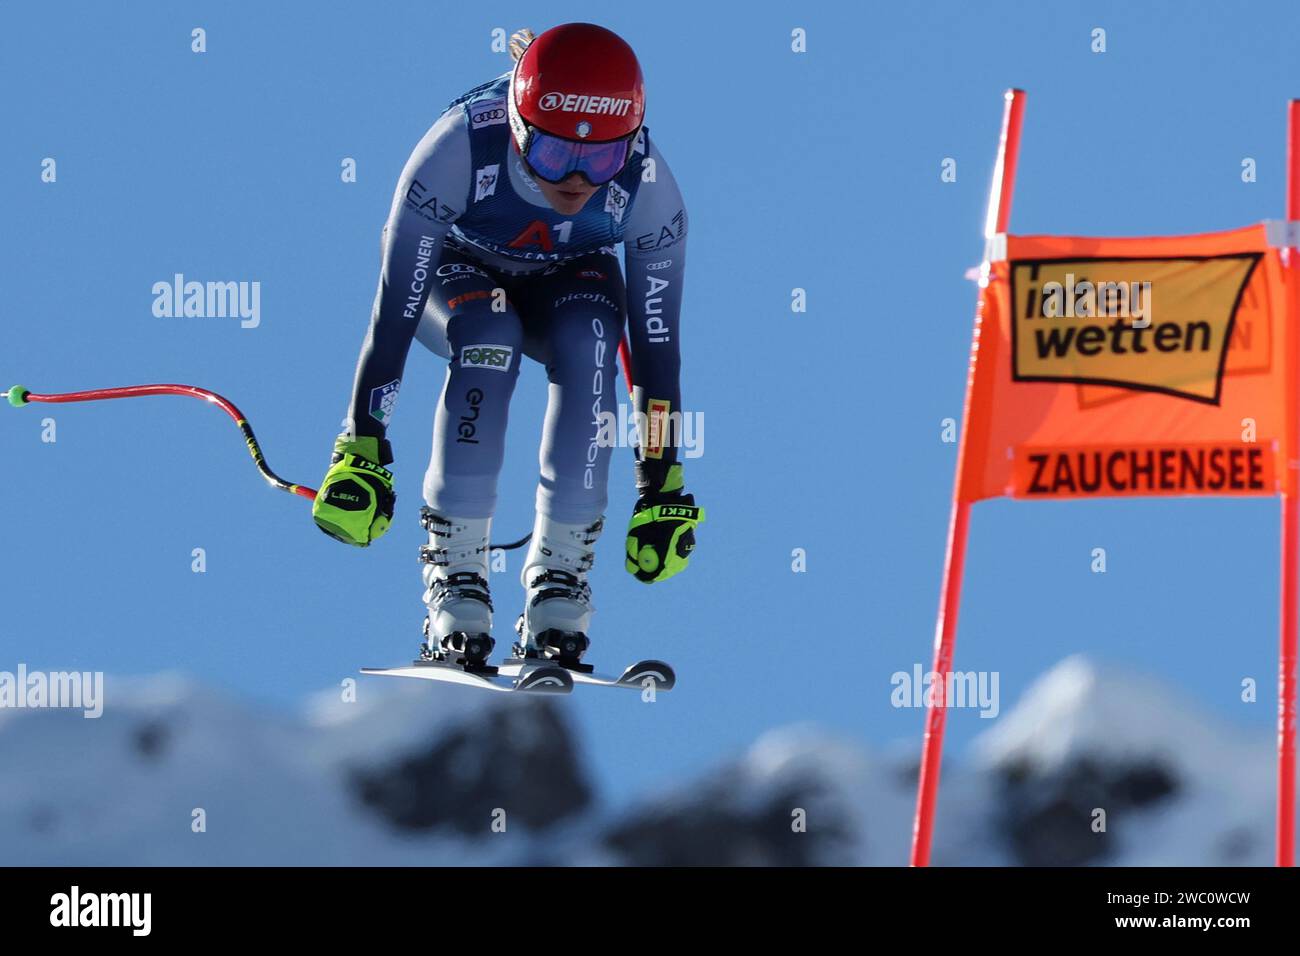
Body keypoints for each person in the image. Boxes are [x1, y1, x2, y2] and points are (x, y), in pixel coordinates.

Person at [310, 23, 704, 672]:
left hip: (567, 279)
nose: (576, 180)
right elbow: (394, 318)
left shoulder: (649, 191)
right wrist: (363, 445)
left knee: (594, 340)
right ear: (517, 128)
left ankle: (561, 585)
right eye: (552, 157)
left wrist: (662, 483)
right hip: (459, 271)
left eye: (601, 160)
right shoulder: (455, 151)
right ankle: (455, 580)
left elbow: (658, 353)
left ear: (631, 144)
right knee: (490, 339)